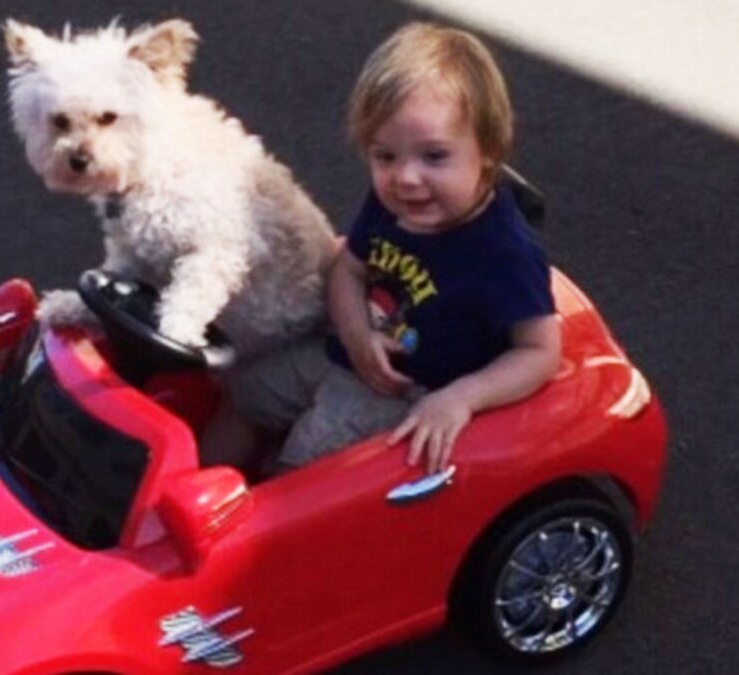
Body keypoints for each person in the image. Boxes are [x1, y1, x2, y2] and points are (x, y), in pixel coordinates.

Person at [223, 22, 561, 475]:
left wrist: (461, 398)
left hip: (406, 391)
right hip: (349, 352)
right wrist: (357, 335)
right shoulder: (394, 204)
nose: (405, 177)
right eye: (385, 156)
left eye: (434, 156)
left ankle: (255, 512)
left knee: (299, 470)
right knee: (244, 394)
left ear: (488, 151)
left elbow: (539, 352)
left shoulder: (504, 253)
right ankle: (168, 508)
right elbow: (348, 268)